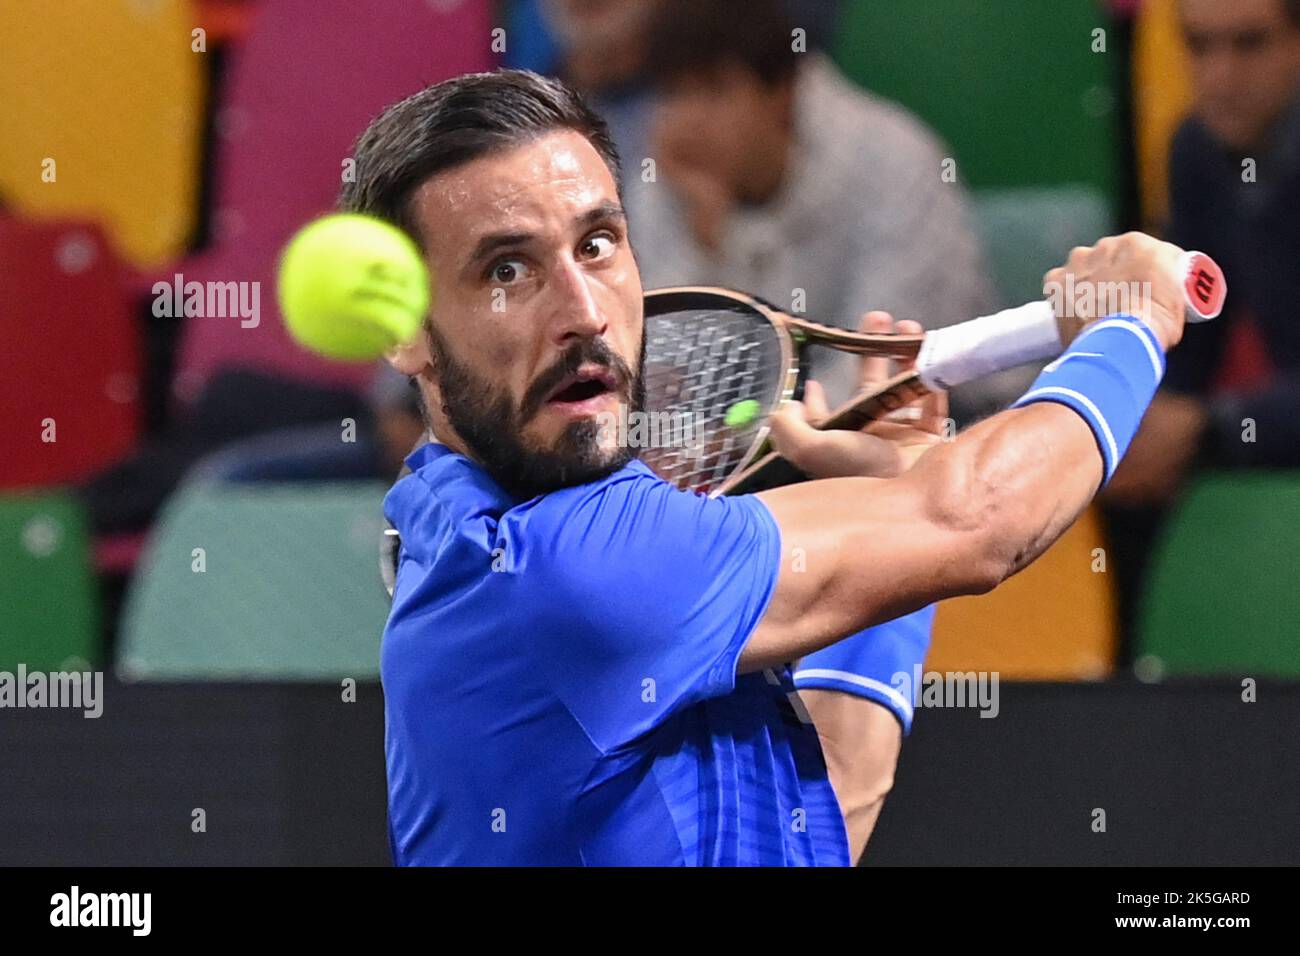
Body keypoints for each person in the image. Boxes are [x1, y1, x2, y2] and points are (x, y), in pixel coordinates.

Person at [346, 69, 1193, 866]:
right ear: (408, 333)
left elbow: (833, 807)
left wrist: (892, 488)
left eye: (598, 244)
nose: (583, 312)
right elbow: (977, 520)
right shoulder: (564, 571)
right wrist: (1129, 327)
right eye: (507, 270)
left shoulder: (496, 547)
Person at [623, 0, 1007, 418]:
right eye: (674, 93)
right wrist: (706, 243)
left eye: (714, 89)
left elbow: (883, 367)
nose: (689, 119)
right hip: (769, 447)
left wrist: (753, 434)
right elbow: (661, 376)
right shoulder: (673, 181)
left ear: (783, 91)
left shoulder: (895, 161)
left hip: (962, 420)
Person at [1104, 0, 1300, 634]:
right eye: (1198, 45)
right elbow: (1186, 342)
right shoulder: (1197, 151)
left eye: (1249, 45)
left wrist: (1209, 425)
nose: (1218, 75)